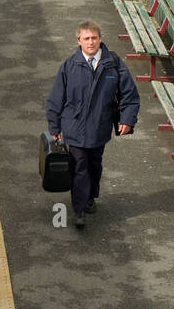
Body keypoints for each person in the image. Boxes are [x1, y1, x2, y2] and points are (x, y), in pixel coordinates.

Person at [46, 21, 140, 228]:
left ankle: (90, 197)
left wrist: (127, 119)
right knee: (80, 167)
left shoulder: (113, 64)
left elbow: (130, 95)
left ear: (100, 39)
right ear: (78, 41)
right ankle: (79, 209)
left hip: (100, 127)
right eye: (86, 38)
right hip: (75, 129)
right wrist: (55, 127)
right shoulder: (69, 66)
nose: (91, 42)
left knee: (94, 165)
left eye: (94, 38)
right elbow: (55, 99)